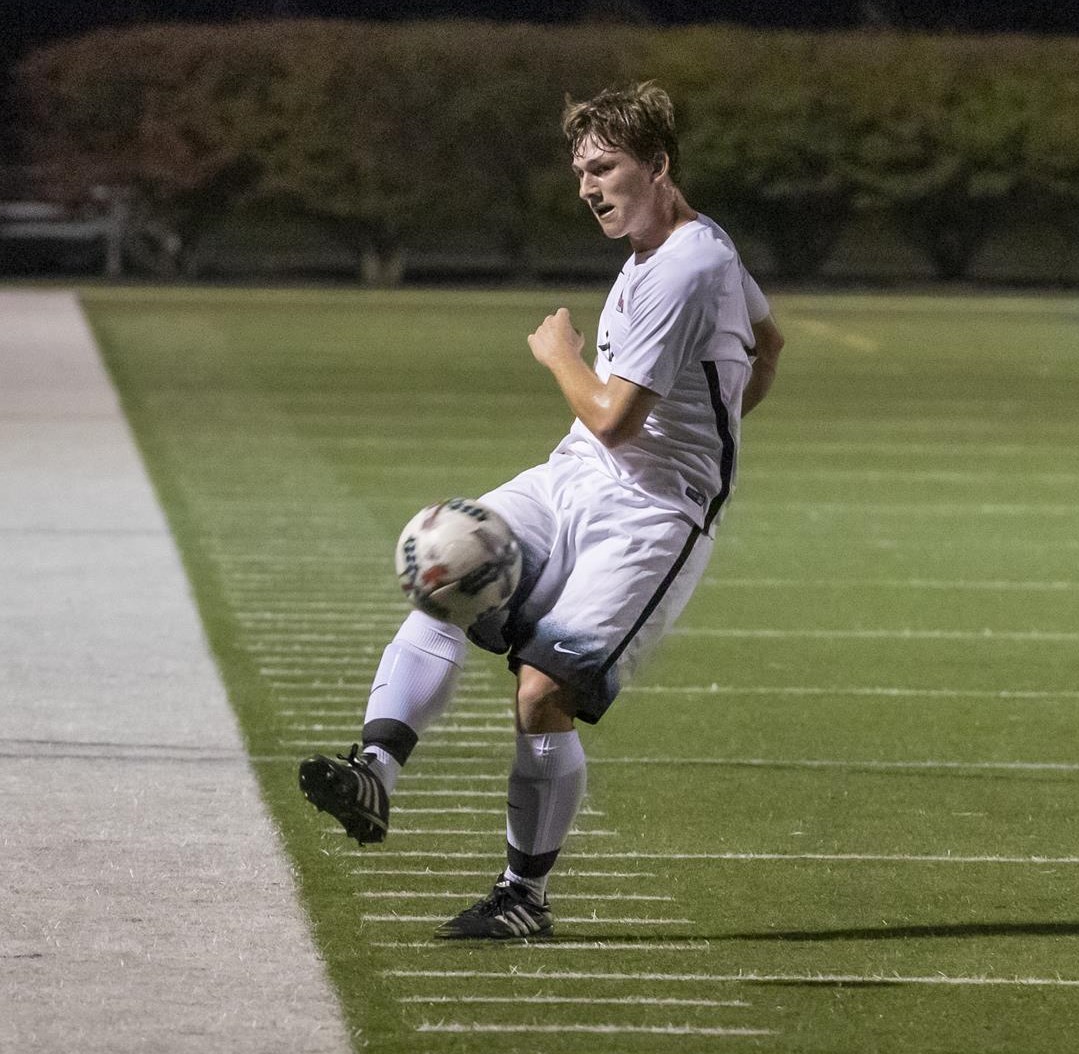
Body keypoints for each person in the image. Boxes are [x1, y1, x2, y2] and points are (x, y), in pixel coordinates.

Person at [297, 81, 785, 939]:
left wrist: (561, 357)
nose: (589, 187)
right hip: (575, 475)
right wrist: (719, 422)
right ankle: (374, 768)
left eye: (604, 167)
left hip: (651, 513)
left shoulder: (689, 265)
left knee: (541, 693)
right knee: (445, 564)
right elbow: (767, 344)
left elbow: (613, 415)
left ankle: (524, 897)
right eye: (580, 171)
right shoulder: (684, 245)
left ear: (658, 166)